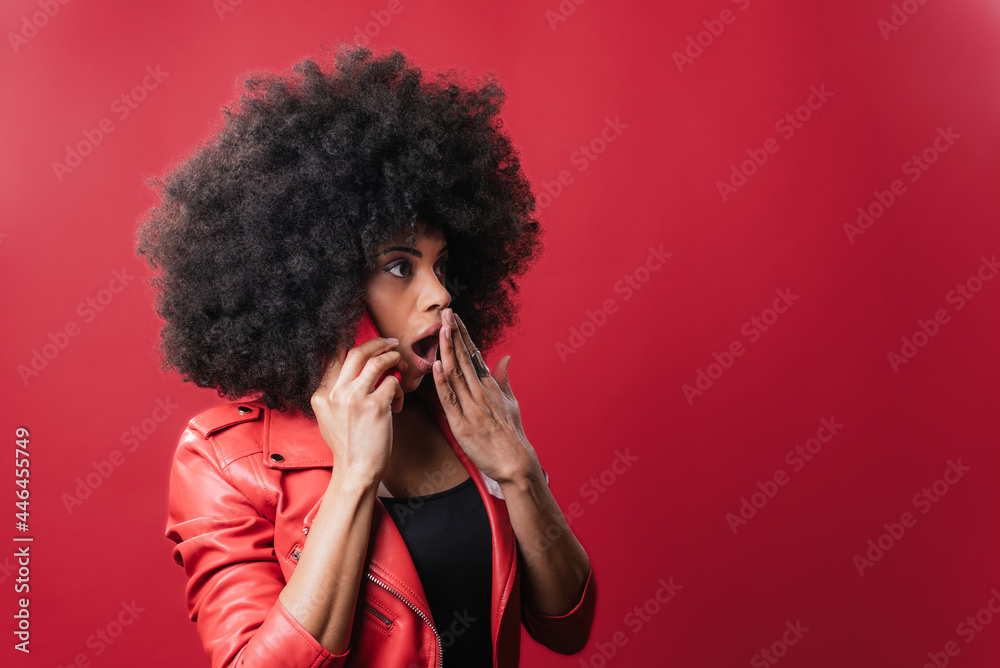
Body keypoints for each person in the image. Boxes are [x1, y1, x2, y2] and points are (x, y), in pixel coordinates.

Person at [135, 42, 596, 667]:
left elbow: (566, 627)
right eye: (400, 266)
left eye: (442, 266)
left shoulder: (461, 415)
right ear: (323, 284)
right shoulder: (220, 460)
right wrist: (354, 476)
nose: (439, 294)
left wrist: (518, 468)